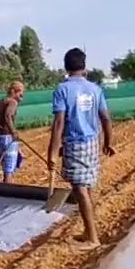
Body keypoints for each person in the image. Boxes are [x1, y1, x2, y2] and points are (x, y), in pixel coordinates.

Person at [47, 48, 115, 249]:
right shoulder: (95, 89)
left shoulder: (63, 90)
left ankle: (93, 238)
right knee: (85, 185)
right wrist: (108, 142)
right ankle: (88, 231)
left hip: (75, 141)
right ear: (83, 66)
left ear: (66, 67)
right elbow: (105, 118)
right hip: (92, 141)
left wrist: (52, 152)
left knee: (79, 188)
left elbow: (59, 123)